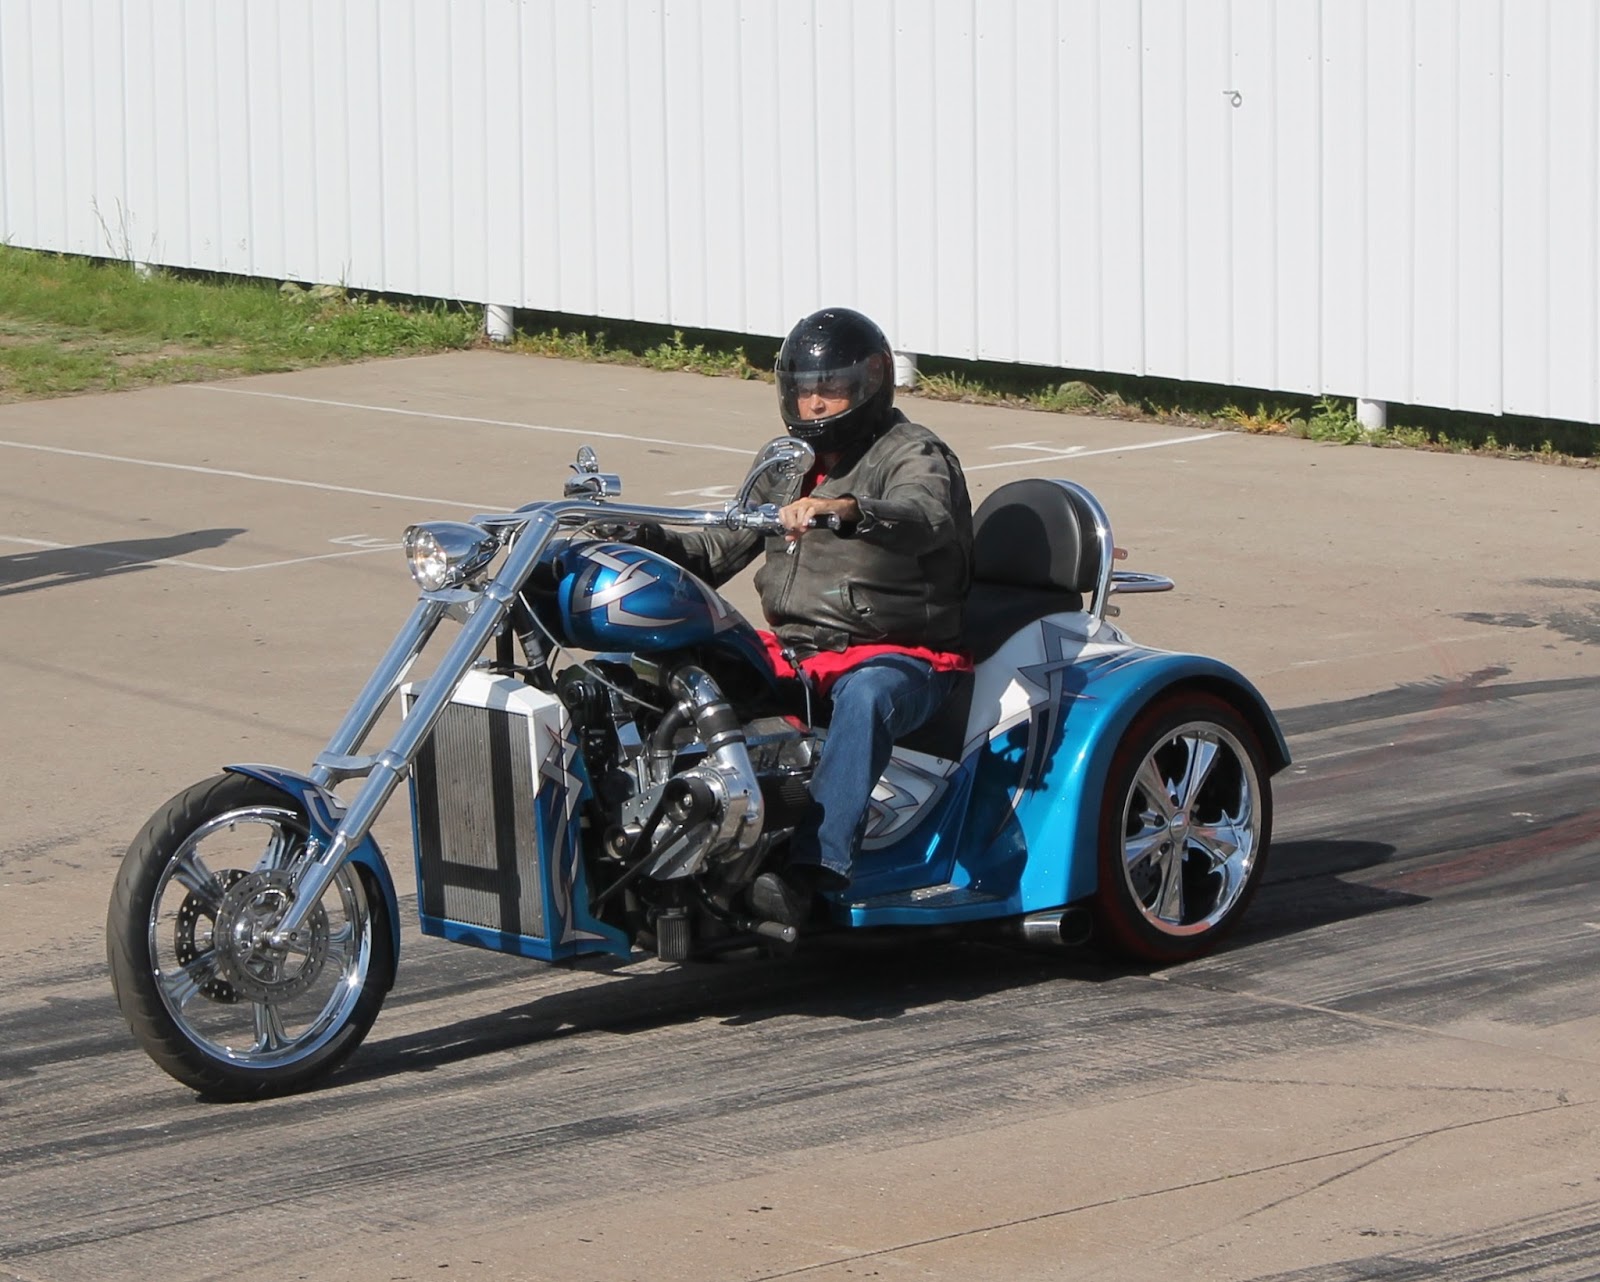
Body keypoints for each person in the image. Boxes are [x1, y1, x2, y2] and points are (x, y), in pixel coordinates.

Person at [639, 307, 973, 927]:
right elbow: (717, 550)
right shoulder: (785, 463)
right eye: (804, 388)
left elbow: (926, 518)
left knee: (869, 695)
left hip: (900, 654)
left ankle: (813, 871)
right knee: (684, 661)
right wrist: (642, 539)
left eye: (832, 388)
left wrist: (846, 508)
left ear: (871, 383)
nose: (815, 402)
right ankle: (657, 832)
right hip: (795, 648)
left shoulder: (914, 452)